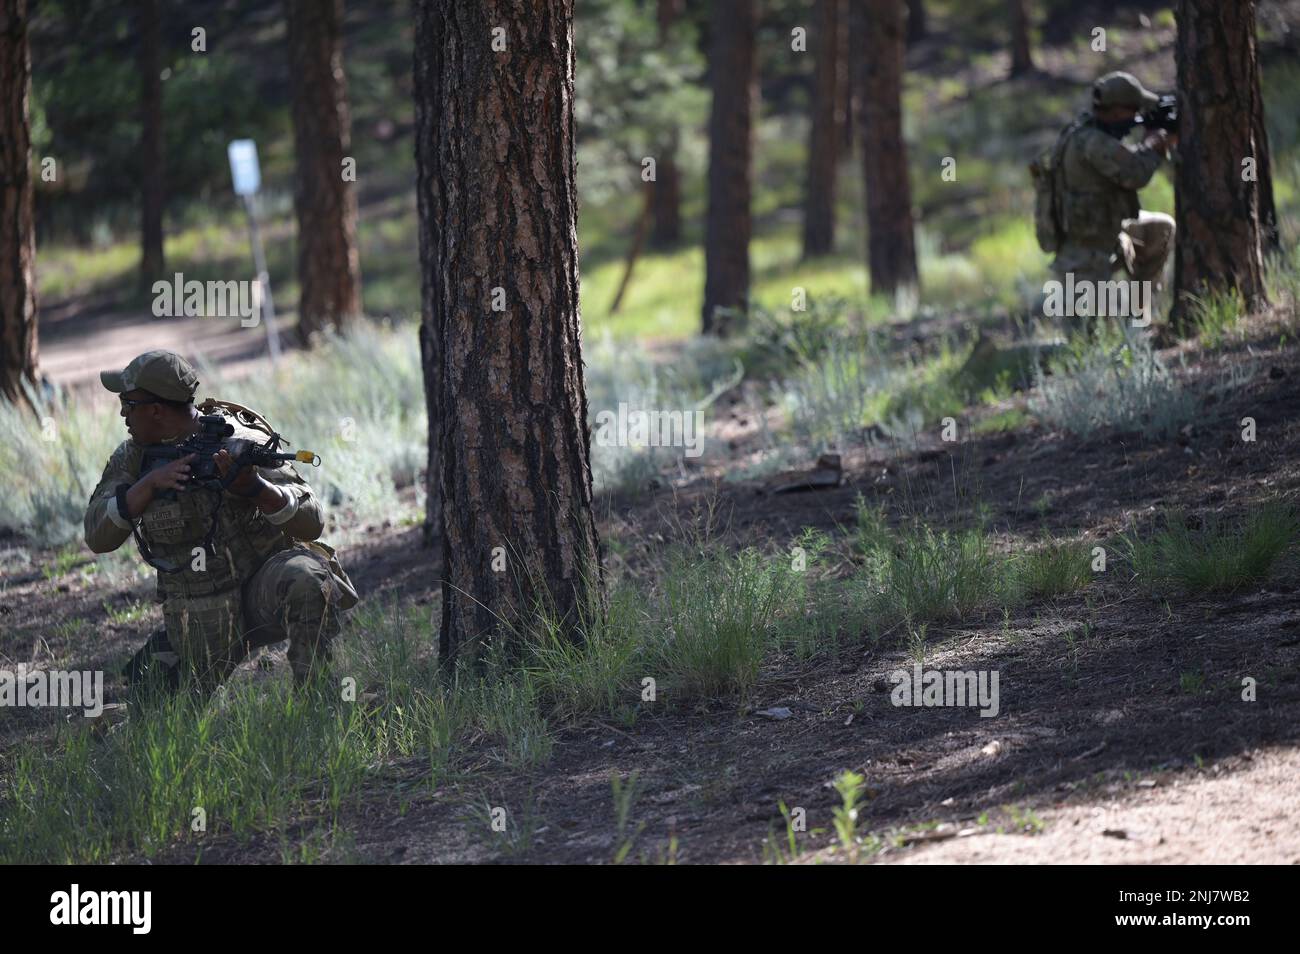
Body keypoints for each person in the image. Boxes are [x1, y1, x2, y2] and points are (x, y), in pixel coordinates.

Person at [84, 350, 357, 696]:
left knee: (307, 578)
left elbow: (311, 522)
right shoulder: (134, 460)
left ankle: (320, 700)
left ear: (155, 410)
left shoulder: (241, 443)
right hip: (197, 617)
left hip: (260, 594)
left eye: (128, 403)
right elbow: (96, 536)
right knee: (154, 717)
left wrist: (256, 489)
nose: (123, 412)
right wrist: (147, 487)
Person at [1051, 71, 1178, 299]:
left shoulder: (1090, 131)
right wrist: (1154, 145)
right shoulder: (1092, 141)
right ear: (1118, 111)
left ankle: (1138, 313)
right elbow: (1134, 174)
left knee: (1161, 228)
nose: (1137, 117)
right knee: (1087, 334)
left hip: (1110, 234)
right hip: (1085, 255)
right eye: (1134, 111)